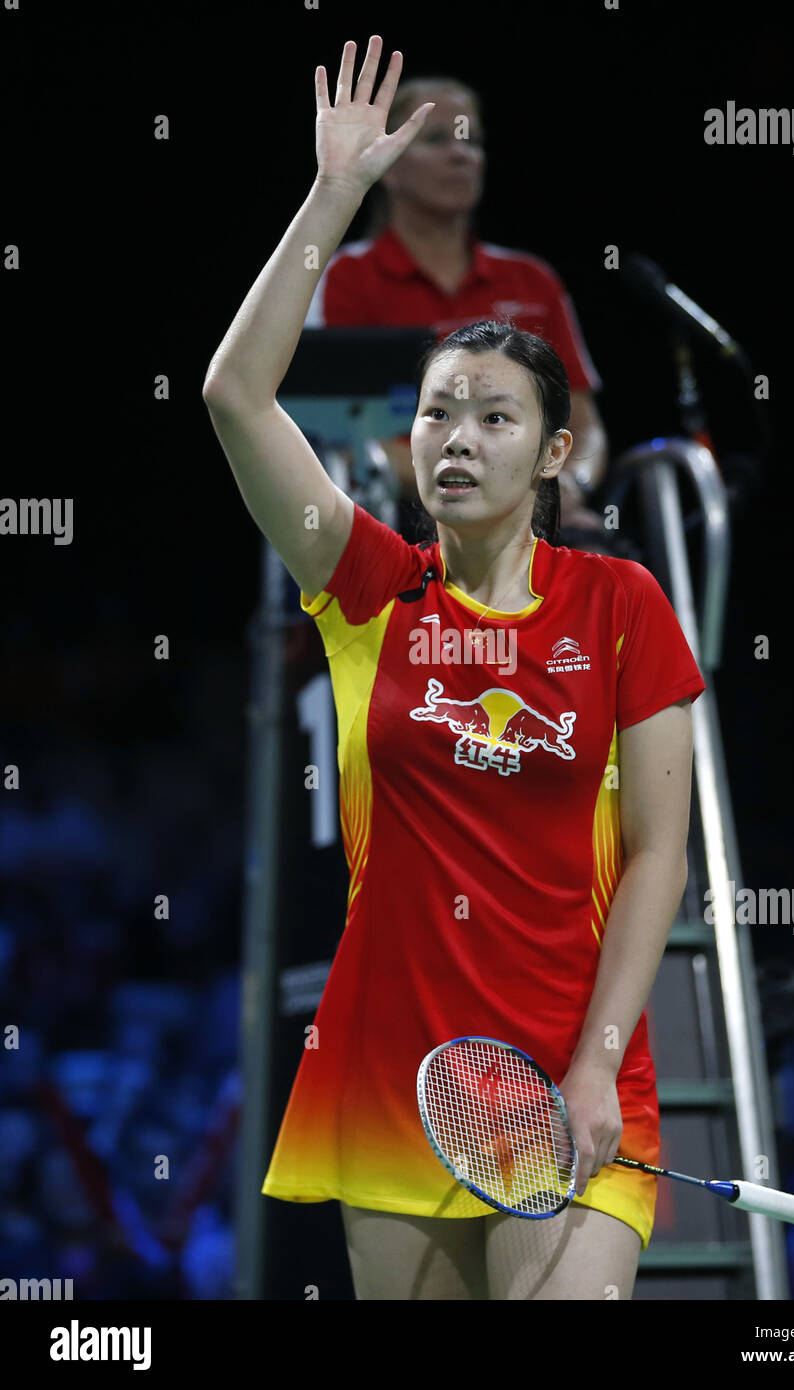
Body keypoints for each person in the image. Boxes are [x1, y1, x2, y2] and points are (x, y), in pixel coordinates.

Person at [203, 35, 705, 1300]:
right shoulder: (369, 587)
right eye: (436, 412)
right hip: (394, 1068)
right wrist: (331, 198)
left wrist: (595, 1061)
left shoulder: (620, 603)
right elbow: (234, 395)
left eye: (494, 417)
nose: (457, 439)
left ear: (551, 454)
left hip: (569, 1067)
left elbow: (656, 851)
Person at [305, 69, 608, 542]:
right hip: (401, 513)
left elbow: (583, 421)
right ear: (389, 165)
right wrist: (490, 487)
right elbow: (346, 440)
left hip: (540, 511)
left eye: (473, 141)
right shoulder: (347, 277)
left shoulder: (532, 278)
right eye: (437, 140)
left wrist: (569, 483)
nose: (461, 153)